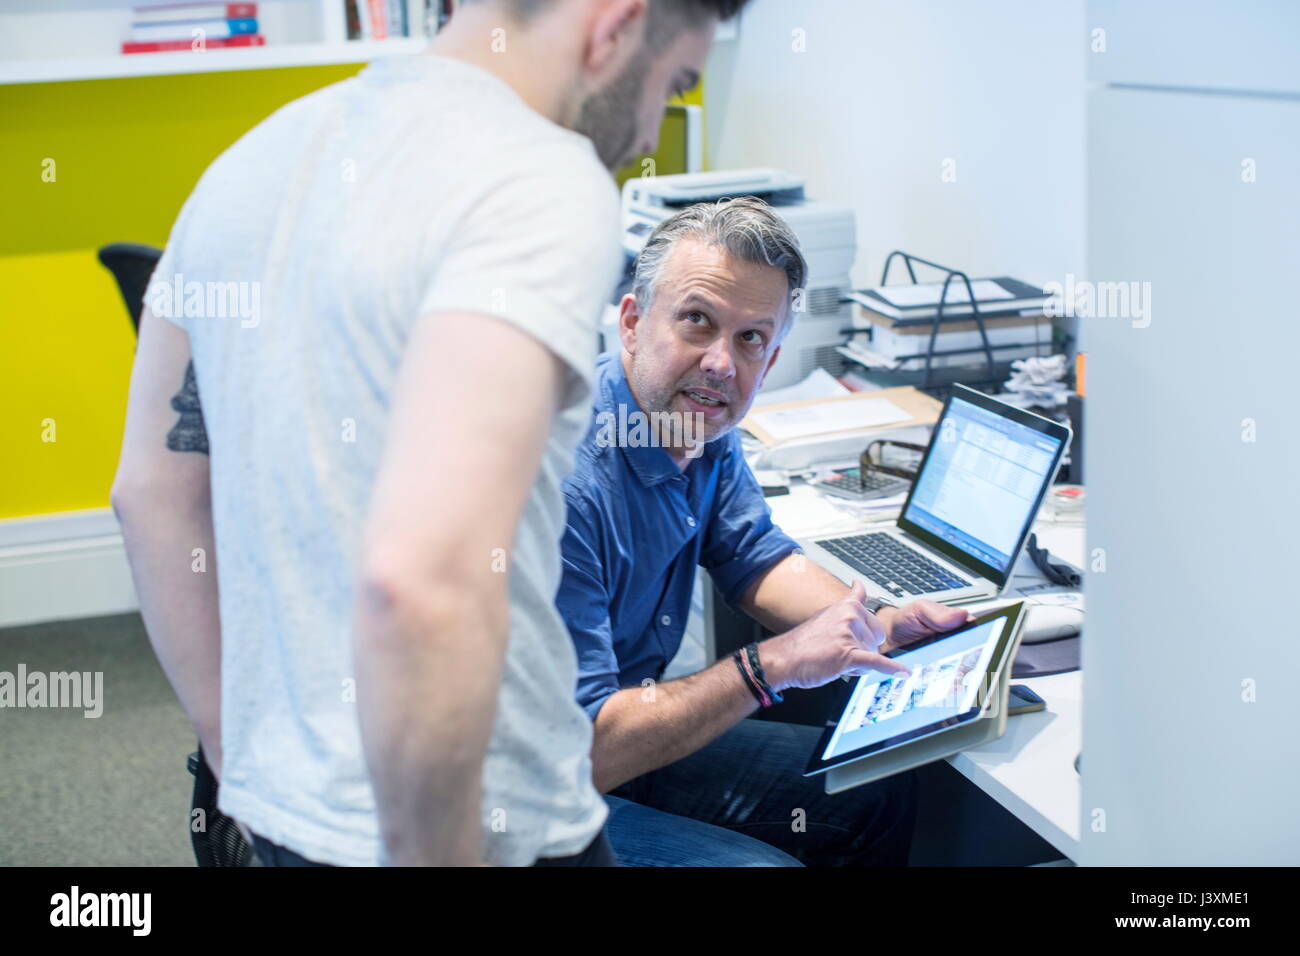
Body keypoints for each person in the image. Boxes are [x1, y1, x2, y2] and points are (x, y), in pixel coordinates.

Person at [111, 0, 745, 868]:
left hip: (284, 813)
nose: (647, 132)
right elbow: (424, 579)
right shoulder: (540, 180)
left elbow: (152, 496)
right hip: (480, 819)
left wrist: (236, 756)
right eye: (671, 84)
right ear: (614, 25)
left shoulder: (249, 163)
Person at [556, 198, 974, 866]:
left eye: (750, 339)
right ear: (632, 324)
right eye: (698, 321)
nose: (722, 362)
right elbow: (585, 749)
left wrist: (875, 623)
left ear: (772, 357)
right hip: (529, 788)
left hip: (627, 724)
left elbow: (753, 557)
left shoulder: (698, 422)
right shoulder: (564, 484)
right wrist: (769, 665)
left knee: (871, 789)